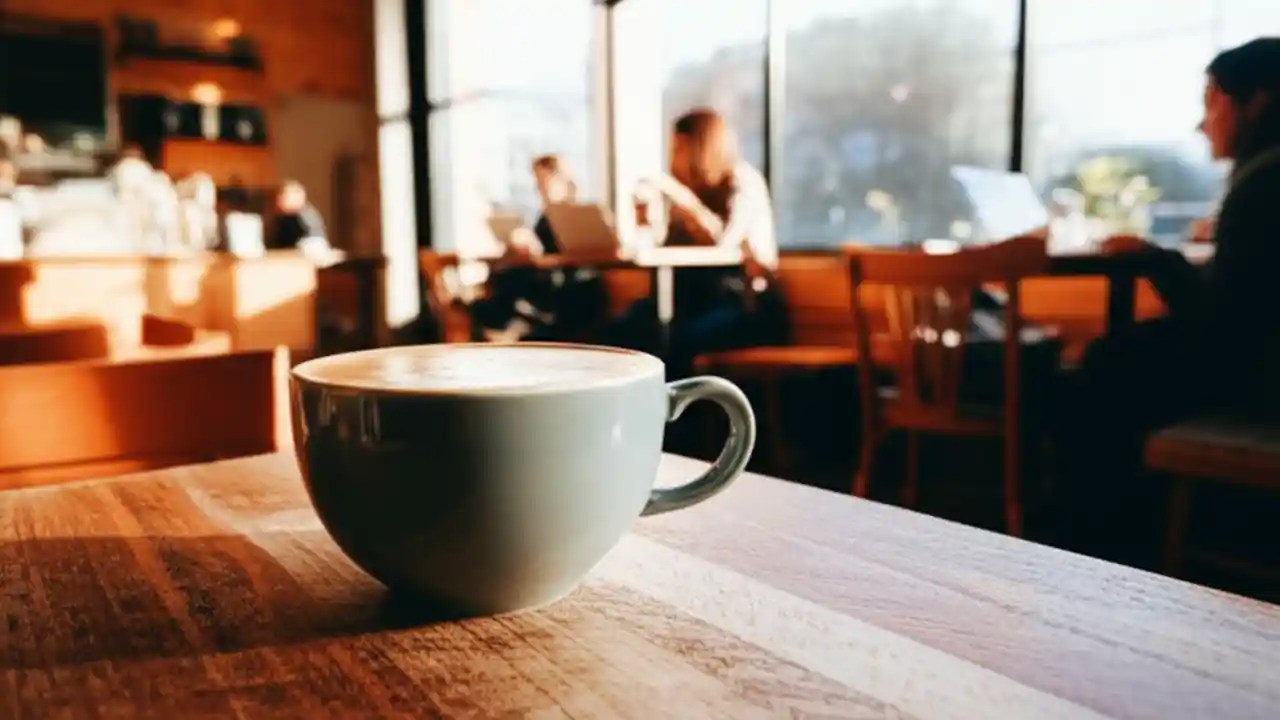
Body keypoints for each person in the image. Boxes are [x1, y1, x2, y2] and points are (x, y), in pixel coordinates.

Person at [1055, 37, 1280, 562]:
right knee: (1115, 355)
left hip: (1262, 384)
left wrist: (1156, 259)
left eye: (1212, 101)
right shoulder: (1265, 179)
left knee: (1105, 364)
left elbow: (1222, 324)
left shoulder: (1265, 183)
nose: (1204, 123)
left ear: (1258, 102)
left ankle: (1098, 545)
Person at [609, 108, 784, 376]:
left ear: (702, 147)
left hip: (745, 303)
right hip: (693, 300)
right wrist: (647, 220)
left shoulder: (743, 182)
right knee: (623, 330)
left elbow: (725, 245)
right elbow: (664, 249)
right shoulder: (688, 189)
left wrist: (689, 207)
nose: (674, 158)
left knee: (676, 342)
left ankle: (678, 415)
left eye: (680, 149)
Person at [470, 155, 604, 341]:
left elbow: (586, 251)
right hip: (549, 271)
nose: (539, 185)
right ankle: (498, 318)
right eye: (537, 179)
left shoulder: (576, 213)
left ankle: (501, 319)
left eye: (543, 178)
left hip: (571, 279)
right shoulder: (546, 214)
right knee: (508, 272)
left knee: (516, 276)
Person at [271, 180, 327, 250]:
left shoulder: (307, 216)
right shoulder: (287, 218)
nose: (279, 201)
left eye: (284, 197)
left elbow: (317, 242)